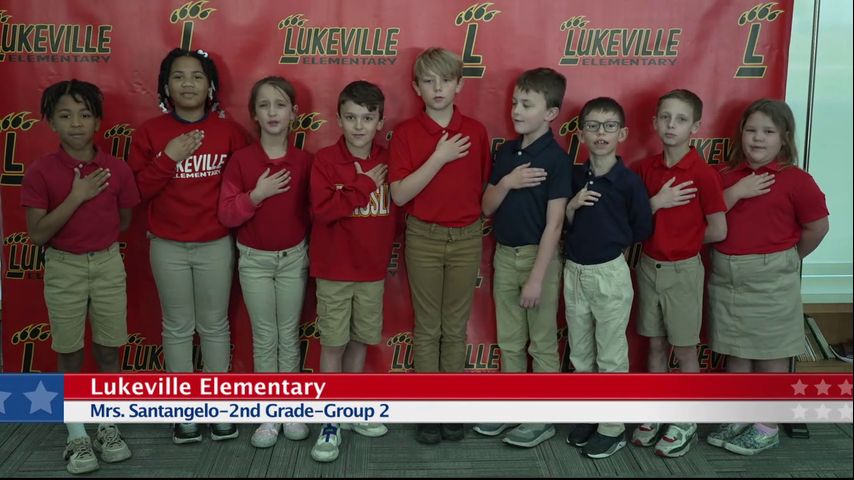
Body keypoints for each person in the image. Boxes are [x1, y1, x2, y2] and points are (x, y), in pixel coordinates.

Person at [128, 47, 249, 444]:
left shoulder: (229, 132)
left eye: (197, 76)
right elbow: (135, 191)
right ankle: (183, 413)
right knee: (177, 326)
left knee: (214, 325)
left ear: (210, 85)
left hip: (215, 244)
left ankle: (218, 409)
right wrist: (169, 157)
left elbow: (245, 184)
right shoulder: (150, 132)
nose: (188, 83)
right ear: (166, 85)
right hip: (167, 245)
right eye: (179, 76)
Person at [22, 79, 139, 474]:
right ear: (50, 122)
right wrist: (77, 195)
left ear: (98, 121)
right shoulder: (41, 172)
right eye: (65, 116)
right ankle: (76, 435)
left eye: (85, 115)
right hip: (63, 266)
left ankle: (108, 425)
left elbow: (122, 221)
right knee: (69, 351)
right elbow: (38, 233)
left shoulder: (117, 169)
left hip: (107, 263)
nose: (76, 124)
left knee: (109, 349)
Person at [707, 99, 829, 455]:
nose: (757, 139)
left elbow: (817, 227)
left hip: (772, 278)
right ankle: (740, 416)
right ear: (740, 134)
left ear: (784, 137)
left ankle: (767, 424)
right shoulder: (726, 177)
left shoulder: (797, 180)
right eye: (751, 130)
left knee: (771, 356)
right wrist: (737, 192)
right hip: (727, 279)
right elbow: (706, 221)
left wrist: (786, 259)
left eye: (768, 131)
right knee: (736, 353)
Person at [388, 47, 492, 444]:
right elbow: (398, 195)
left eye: (444, 80)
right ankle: (427, 408)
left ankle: (451, 406)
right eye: (428, 81)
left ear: (459, 85)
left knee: (455, 326)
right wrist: (439, 156)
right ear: (416, 87)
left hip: (466, 238)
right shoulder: (408, 133)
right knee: (427, 326)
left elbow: (480, 187)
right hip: (423, 237)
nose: (437, 88)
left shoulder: (477, 131)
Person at [474, 68, 570, 448]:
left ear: (550, 113)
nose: (516, 110)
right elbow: (486, 206)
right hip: (503, 256)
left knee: (542, 342)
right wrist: (507, 182)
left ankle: (541, 417)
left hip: (537, 260)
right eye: (515, 102)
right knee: (510, 341)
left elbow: (555, 223)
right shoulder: (506, 152)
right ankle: (513, 408)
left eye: (527, 104)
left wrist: (536, 277)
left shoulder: (557, 160)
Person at [630, 89, 727, 457]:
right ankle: (657, 410)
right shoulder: (644, 168)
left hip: (684, 270)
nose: (672, 125)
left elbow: (718, 229)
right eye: (665, 117)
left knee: (685, 349)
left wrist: (684, 238)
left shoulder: (703, 173)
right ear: (654, 122)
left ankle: (685, 418)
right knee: (654, 343)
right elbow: (633, 220)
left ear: (696, 128)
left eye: (681, 119)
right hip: (648, 266)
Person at [218, 75, 312, 449]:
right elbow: (227, 213)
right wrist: (257, 194)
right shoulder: (242, 161)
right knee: (265, 336)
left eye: (280, 105)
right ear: (254, 114)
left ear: (294, 112)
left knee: (288, 335)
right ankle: (267, 415)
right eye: (264, 105)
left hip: (293, 259)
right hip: (254, 261)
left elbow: (314, 212)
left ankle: (289, 410)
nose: (272, 112)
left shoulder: (305, 161)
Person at [307, 80, 397, 462]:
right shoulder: (326, 160)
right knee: (333, 344)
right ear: (339, 120)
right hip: (334, 271)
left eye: (367, 118)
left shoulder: (390, 159)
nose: (359, 125)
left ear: (379, 121)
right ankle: (330, 420)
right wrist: (360, 185)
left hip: (372, 272)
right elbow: (322, 211)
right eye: (351, 117)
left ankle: (352, 406)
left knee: (360, 340)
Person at [562, 97, 653, 459]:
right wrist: (571, 206)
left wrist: (612, 242)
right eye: (594, 126)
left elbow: (641, 227)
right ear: (581, 133)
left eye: (609, 126)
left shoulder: (628, 182)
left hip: (609, 273)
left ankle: (612, 425)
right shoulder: (573, 176)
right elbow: (563, 224)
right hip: (574, 271)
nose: (601, 133)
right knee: (581, 352)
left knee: (611, 353)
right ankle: (589, 413)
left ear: (622, 133)